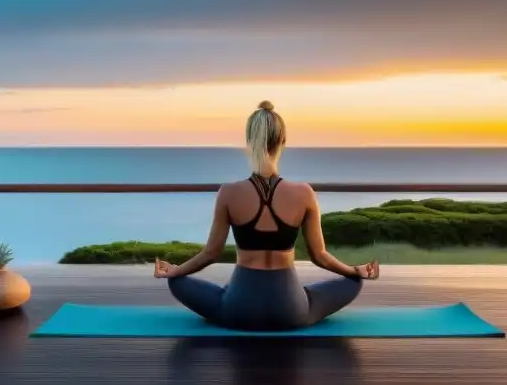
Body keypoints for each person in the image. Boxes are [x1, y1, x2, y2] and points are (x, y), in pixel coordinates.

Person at [154, 100, 380, 331]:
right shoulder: (304, 193)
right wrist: (355, 271)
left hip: (238, 309)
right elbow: (319, 256)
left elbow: (211, 253)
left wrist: (176, 270)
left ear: (249, 142)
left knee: (177, 282)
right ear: (282, 142)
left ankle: (226, 292)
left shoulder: (229, 193)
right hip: (291, 310)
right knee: (352, 283)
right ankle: (312, 293)